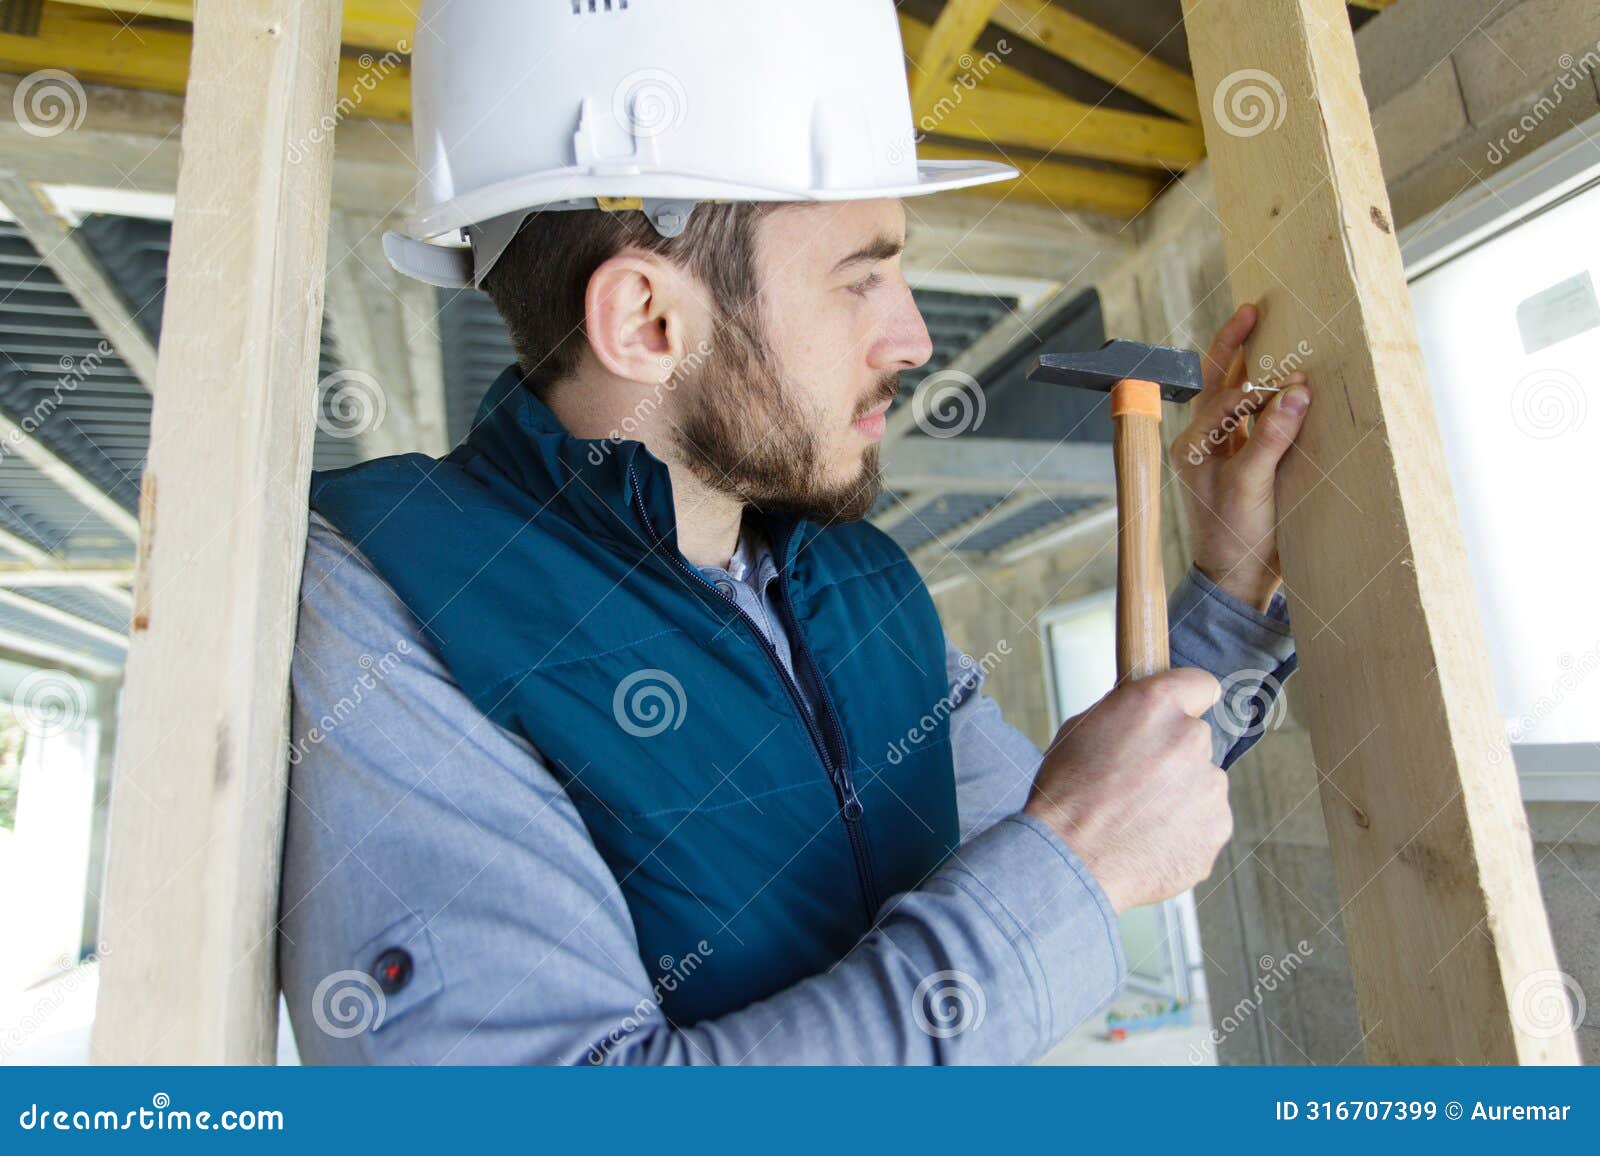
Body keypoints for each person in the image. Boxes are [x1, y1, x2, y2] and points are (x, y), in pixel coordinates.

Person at [278, 0, 1310, 1065]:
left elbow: (1089, 818)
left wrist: (1229, 589)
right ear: (647, 322)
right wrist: (1076, 862)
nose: (911, 336)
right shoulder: (394, 592)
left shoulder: (862, 583)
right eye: (860, 276)